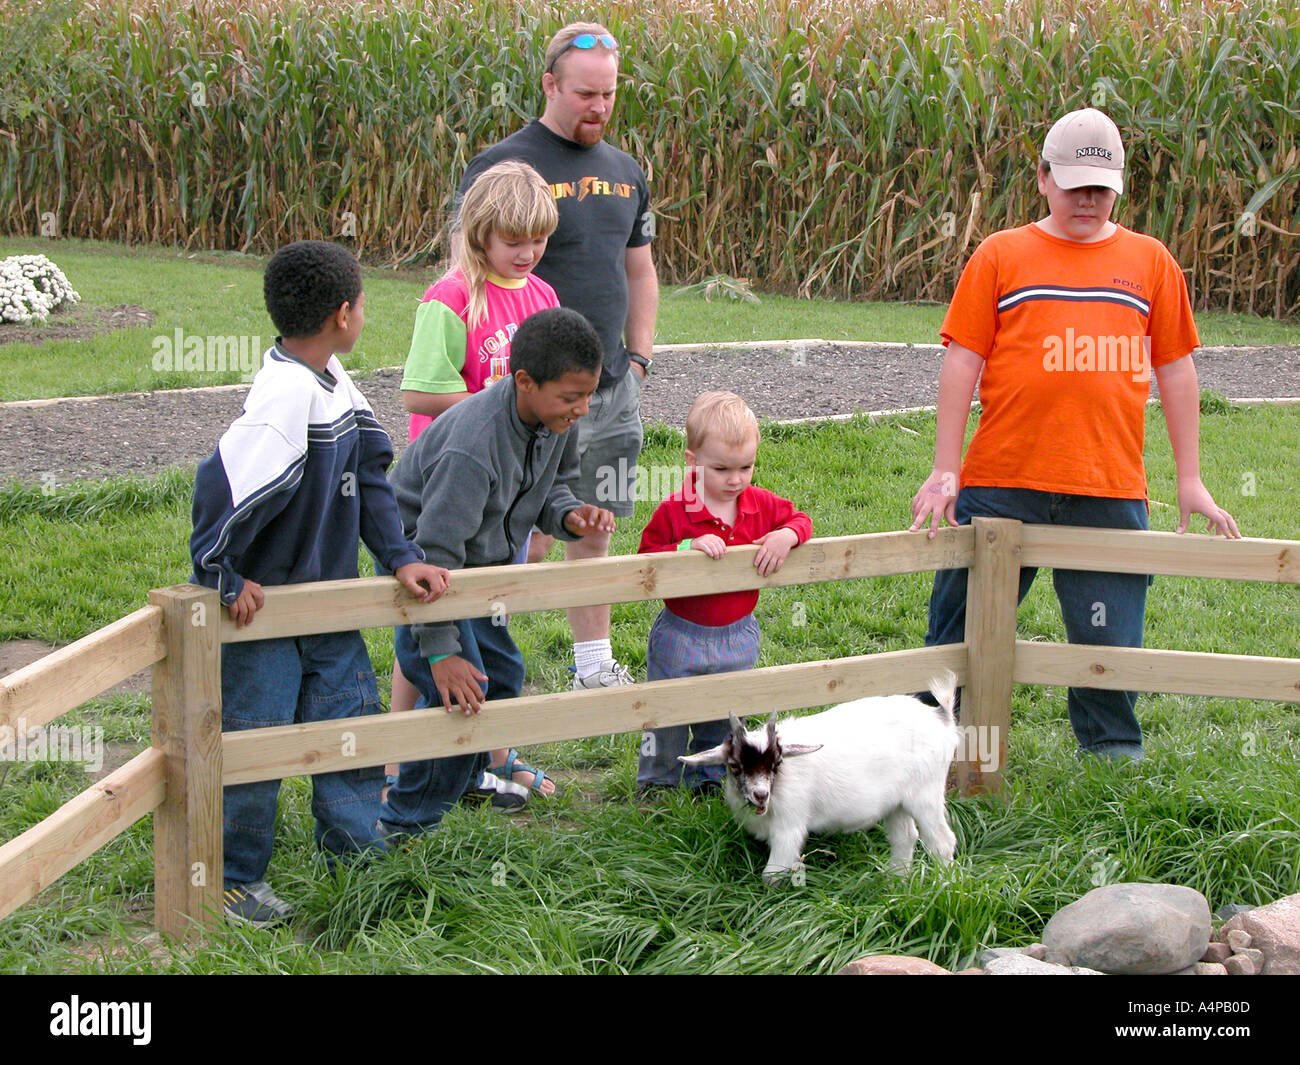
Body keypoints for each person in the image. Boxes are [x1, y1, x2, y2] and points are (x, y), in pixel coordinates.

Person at [909, 107, 1241, 761]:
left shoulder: (1150, 262)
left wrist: (1191, 479)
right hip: (1002, 481)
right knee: (962, 629)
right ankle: (931, 748)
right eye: (1073, 184)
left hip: (1108, 484)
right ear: (1041, 178)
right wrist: (948, 468)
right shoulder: (1000, 255)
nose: (1087, 199)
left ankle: (1111, 752)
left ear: (1119, 185)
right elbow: (961, 363)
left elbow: (1175, 371)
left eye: (1101, 187)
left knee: (1109, 645)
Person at [189, 239, 449, 926]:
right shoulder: (284, 398)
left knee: (348, 732)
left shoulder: (330, 376)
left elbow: (369, 472)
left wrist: (399, 555)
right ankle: (234, 877)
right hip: (265, 621)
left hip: (327, 611)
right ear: (344, 312)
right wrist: (221, 571)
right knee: (257, 747)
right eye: (363, 301)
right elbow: (220, 482)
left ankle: (358, 862)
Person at [456, 20, 658, 691]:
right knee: (524, 533)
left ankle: (593, 666)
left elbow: (640, 269)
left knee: (592, 522)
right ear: (550, 84)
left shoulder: (627, 170)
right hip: (532, 396)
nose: (598, 106)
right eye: (584, 94)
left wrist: (641, 356)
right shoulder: (504, 166)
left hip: (611, 387)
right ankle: (482, 654)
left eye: (608, 93)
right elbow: (470, 272)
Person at [378, 306, 617, 838]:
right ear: (525, 381)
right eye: (570, 397)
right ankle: (403, 826)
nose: (580, 409)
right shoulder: (473, 446)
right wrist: (441, 651)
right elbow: (432, 553)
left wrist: (569, 515)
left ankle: (463, 778)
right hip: (424, 567)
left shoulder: (554, 419)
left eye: (588, 396)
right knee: (459, 695)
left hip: (478, 564)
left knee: (501, 677)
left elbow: (553, 486)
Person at [392, 158, 561, 801]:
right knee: (429, 620)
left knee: (486, 621)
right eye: (514, 241)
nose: (528, 253)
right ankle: (395, 754)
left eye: (538, 240)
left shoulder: (542, 295)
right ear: (480, 232)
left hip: (509, 494)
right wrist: (494, 399)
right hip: (453, 484)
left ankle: (491, 754)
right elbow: (416, 392)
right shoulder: (451, 297)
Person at [636, 391, 813, 794]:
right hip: (681, 634)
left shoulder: (760, 504)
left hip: (738, 633)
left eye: (745, 467)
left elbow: (801, 519)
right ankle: (658, 782)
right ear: (692, 461)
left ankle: (710, 780)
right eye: (721, 469)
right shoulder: (677, 508)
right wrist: (687, 548)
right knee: (667, 714)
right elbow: (646, 559)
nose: (735, 479)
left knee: (725, 711)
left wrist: (786, 535)